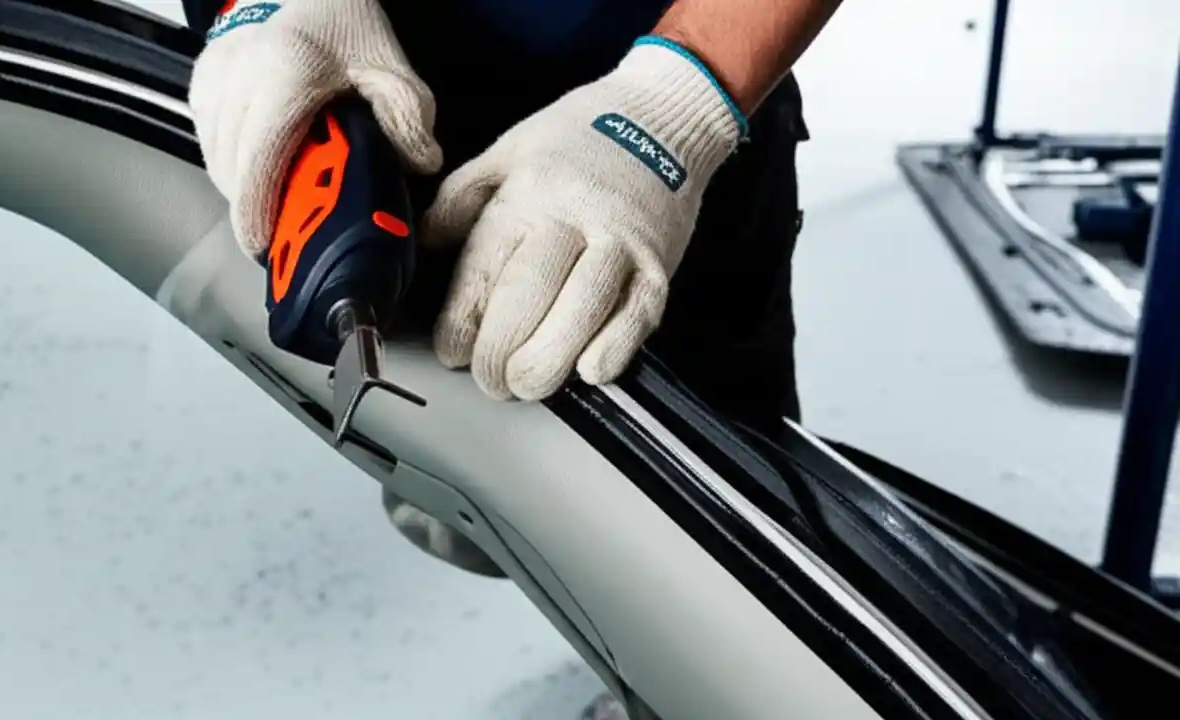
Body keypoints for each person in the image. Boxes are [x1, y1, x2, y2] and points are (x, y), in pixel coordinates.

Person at [183, 1, 840, 716]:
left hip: (645, 136)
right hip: (380, 97)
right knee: (515, 501)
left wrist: (672, 107)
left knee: (713, 553)